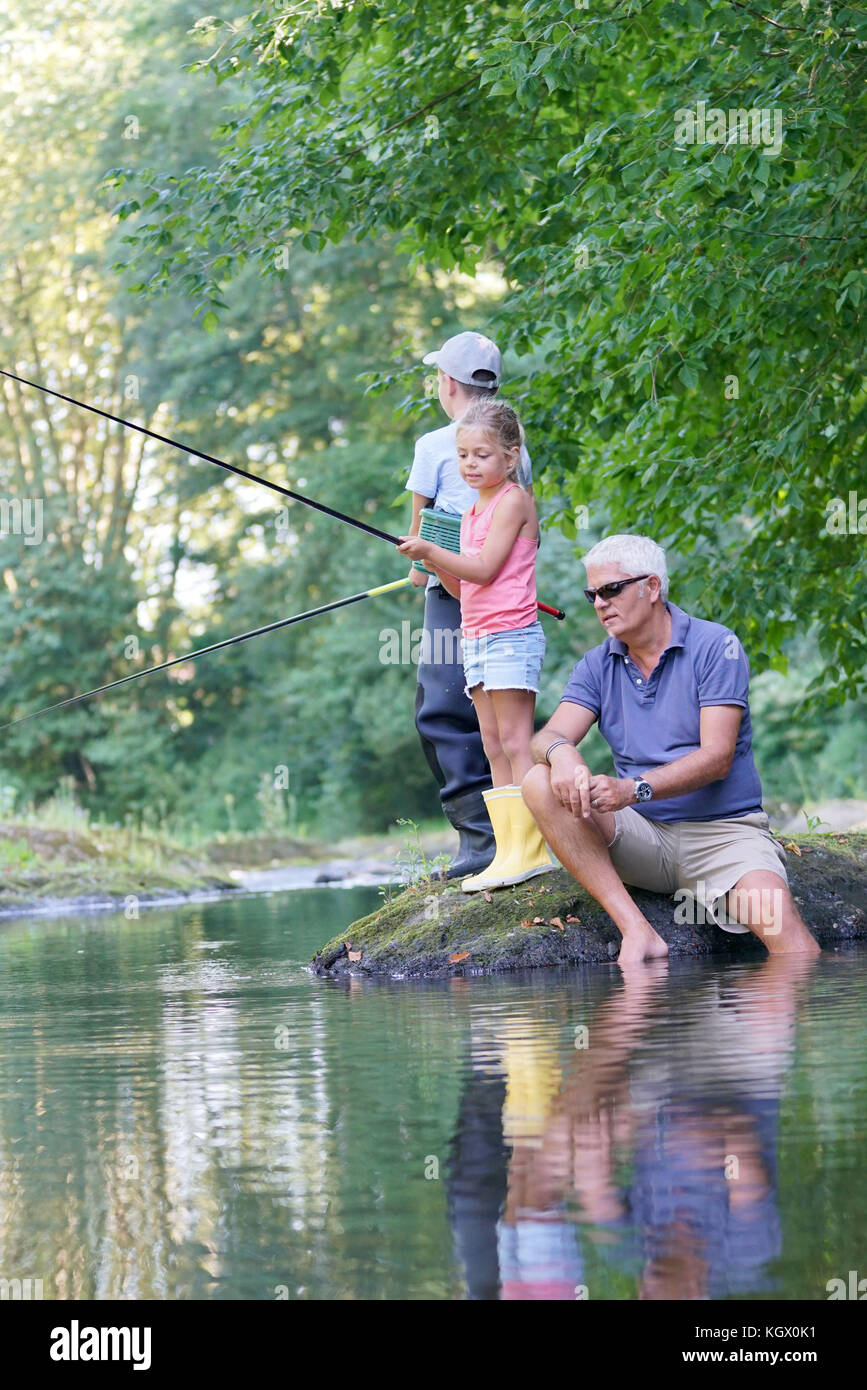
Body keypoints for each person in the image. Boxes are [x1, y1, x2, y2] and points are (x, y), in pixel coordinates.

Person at [522, 533, 821, 964]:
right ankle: (637, 931)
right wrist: (562, 754)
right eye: (592, 595)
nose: (600, 603)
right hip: (640, 838)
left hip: (725, 837)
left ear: (652, 587)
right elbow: (546, 737)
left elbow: (717, 758)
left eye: (611, 590)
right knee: (538, 779)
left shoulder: (716, 646)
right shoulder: (596, 664)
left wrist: (633, 789)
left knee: (794, 950)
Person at [399, 399, 554, 891]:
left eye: (481, 455)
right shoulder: (470, 511)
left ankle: (534, 850)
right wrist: (432, 564)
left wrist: (430, 548)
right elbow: (465, 588)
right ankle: (507, 851)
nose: (470, 464)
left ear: (510, 457)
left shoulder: (513, 500)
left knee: (514, 742)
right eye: (463, 455)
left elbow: (486, 568)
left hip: (511, 636)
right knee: (491, 745)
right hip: (480, 636)